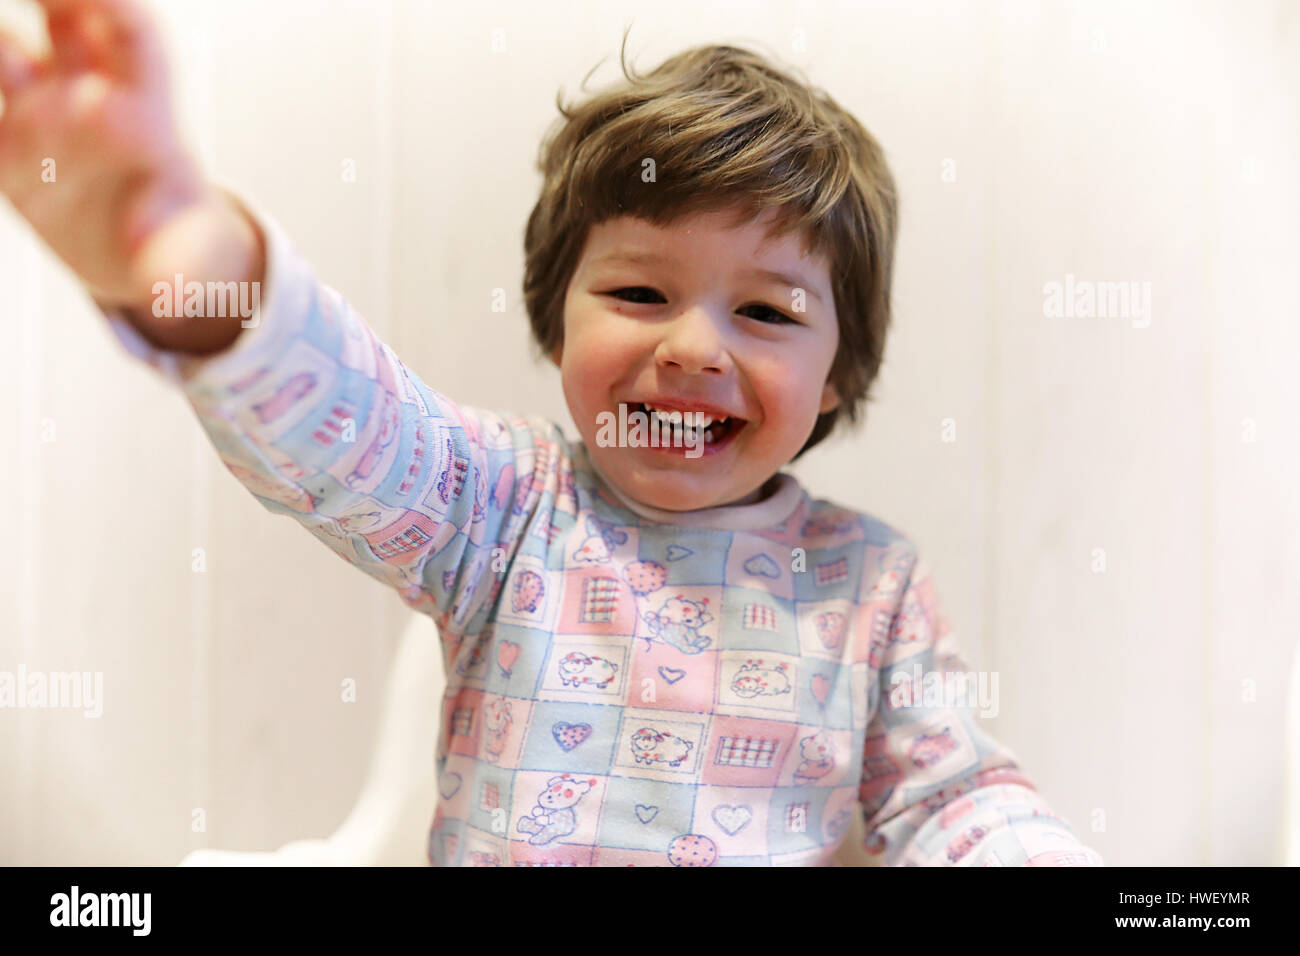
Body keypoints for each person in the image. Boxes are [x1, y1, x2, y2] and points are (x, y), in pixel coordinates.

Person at [0, 0, 1103, 866]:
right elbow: (346, 429)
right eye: (637, 292)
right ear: (553, 314)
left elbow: (952, 796)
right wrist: (207, 279)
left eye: (764, 312)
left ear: (837, 378)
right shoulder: (502, 507)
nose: (691, 347)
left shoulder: (872, 586)